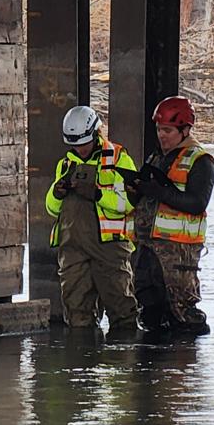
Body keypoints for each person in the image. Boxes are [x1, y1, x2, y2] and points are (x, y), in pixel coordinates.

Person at [125, 96, 214, 335]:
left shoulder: (200, 161)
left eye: (168, 130)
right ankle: (153, 368)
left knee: (182, 314)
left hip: (178, 254)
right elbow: (142, 203)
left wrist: (159, 191)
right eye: (159, 129)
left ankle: (183, 368)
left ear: (185, 130)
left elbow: (197, 203)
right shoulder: (156, 158)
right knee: (150, 310)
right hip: (147, 249)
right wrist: (136, 191)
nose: (162, 135)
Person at [45, 105, 139, 331]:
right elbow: (51, 209)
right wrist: (57, 193)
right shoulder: (65, 164)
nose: (80, 150)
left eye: (84, 144)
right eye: (75, 145)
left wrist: (97, 194)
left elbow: (129, 203)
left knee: (122, 310)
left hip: (110, 249)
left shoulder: (119, 159)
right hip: (73, 249)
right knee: (77, 313)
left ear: (97, 133)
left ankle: (124, 360)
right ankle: (81, 361)